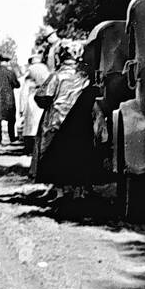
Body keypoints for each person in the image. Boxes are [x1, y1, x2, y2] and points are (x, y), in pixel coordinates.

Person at [31, 41, 95, 194]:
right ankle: (79, 191)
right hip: (79, 121)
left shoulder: (56, 76)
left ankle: (59, 191)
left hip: (56, 119)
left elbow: (42, 96)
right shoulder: (84, 76)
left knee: (54, 155)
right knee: (77, 154)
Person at [19, 54, 50, 154]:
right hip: (43, 96)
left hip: (32, 96)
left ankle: (29, 148)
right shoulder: (46, 69)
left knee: (30, 124)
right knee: (40, 122)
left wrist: (21, 107)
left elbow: (25, 88)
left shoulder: (30, 70)